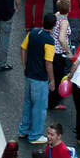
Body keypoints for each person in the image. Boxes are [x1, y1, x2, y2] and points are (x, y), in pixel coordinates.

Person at [20, 11, 57, 146]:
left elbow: (23, 48)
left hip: (29, 75)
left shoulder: (33, 32)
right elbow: (48, 62)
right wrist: (52, 80)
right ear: (53, 26)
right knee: (39, 108)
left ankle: (23, 129)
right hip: (40, 79)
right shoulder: (49, 41)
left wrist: (24, 65)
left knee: (28, 104)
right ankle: (35, 135)